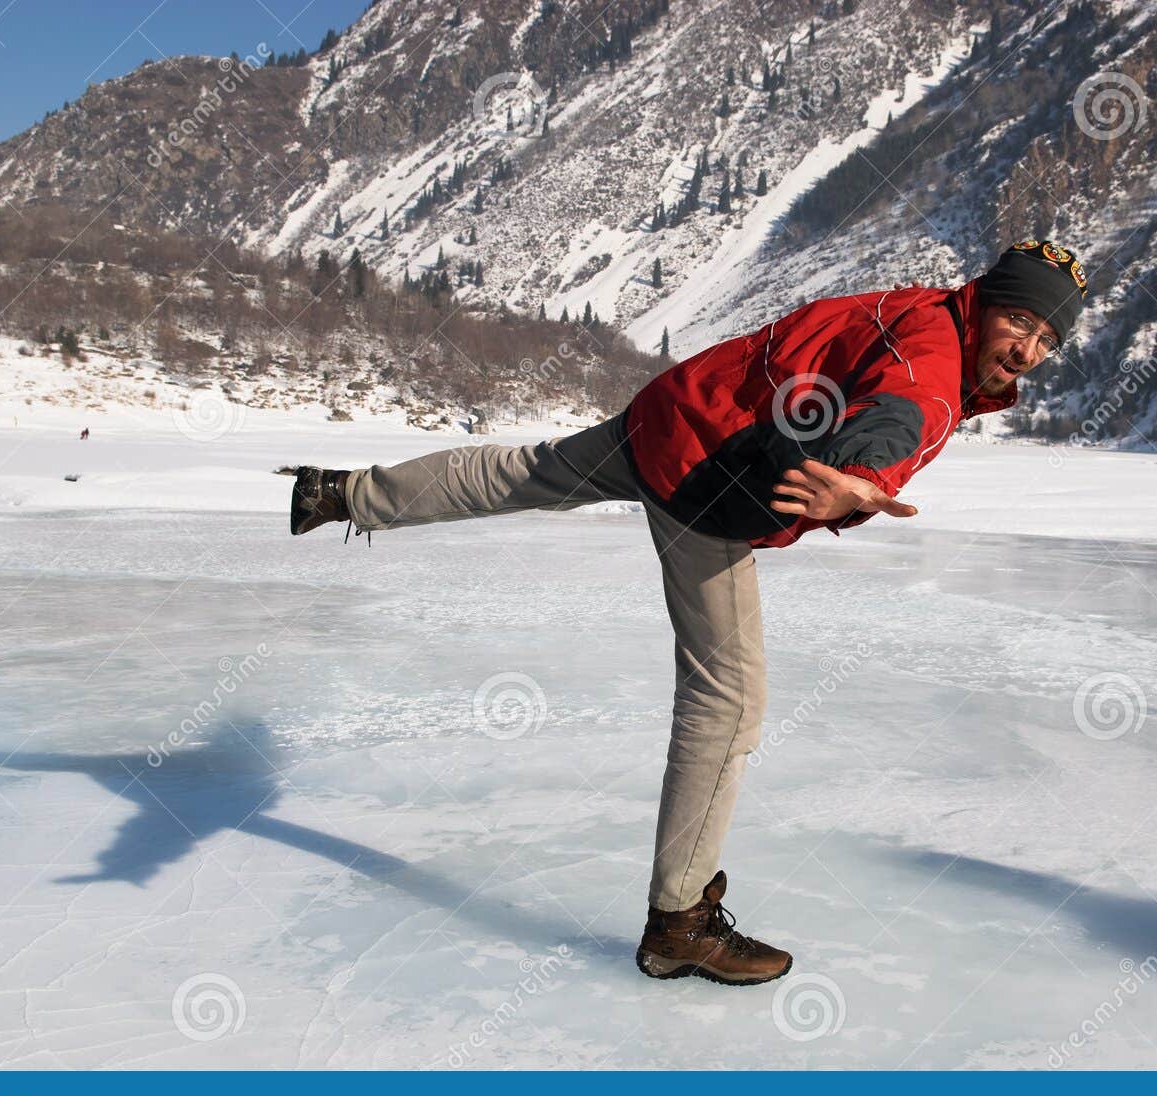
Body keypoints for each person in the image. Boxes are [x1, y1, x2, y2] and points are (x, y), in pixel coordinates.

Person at [288, 239, 1088, 985]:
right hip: (707, 478)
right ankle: (678, 922)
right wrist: (861, 478)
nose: (1027, 348)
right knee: (729, 697)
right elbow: (899, 412)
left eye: (1047, 339)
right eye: (1021, 320)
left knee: (528, 472)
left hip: (672, 414)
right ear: (987, 300)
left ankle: (343, 493)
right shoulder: (935, 359)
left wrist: (853, 471)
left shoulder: (921, 311)